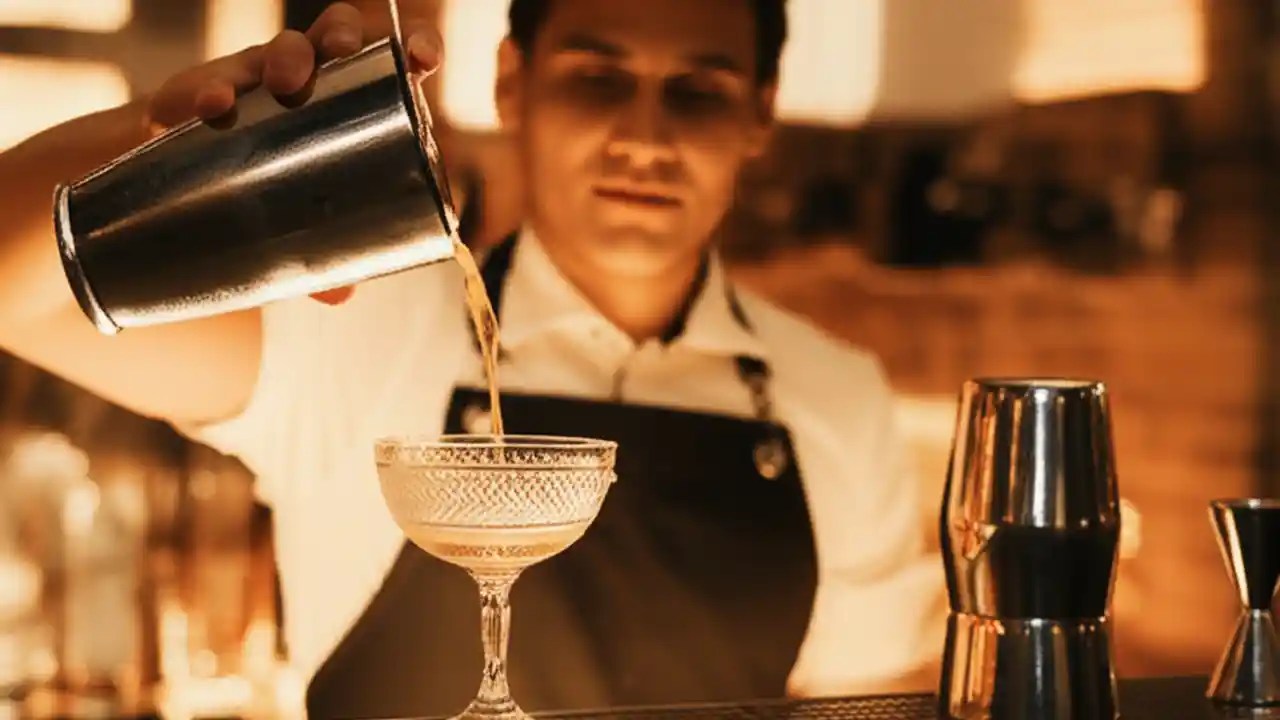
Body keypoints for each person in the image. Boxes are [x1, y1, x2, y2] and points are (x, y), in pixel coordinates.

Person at [0, 0, 944, 716]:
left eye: (699, 91)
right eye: (597, 76)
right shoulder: (348, 323)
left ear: (760, 117)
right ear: (511, 82)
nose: (645, 139)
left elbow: (871, 699)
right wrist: (165, 137)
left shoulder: (836, 396)